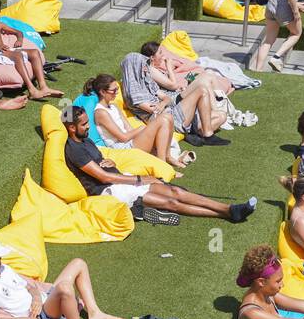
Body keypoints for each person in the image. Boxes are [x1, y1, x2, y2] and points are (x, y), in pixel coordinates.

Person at [62, 104, 256, 227]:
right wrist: (140, 178)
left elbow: (102, 163)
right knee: (171, 203)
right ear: (71, 127)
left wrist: (111, 162)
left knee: (176, 193)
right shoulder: (74, 149)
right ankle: (226, 214)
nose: (88, 127)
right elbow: (105, 178)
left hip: (122, 180)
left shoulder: (84, 140)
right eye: (84, 124)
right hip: (111, 191)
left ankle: (230, 209)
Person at [118, 47, 228, 145]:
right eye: (142, 65)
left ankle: (194, 132)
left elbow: (167, 98)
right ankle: (208, 135)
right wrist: (163, 103)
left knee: (222, 116)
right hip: (171, 119)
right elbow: (155, 111)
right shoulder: (134, 93)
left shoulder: (146, 82)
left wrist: (163, 103)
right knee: (202, 90)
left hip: (172, 110)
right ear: (132, 69)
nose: (145, 68)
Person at [82, 74, 186, 168]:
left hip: (130, 141)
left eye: (117, 89)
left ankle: (168, 157)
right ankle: (162, 165)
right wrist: (143, 128)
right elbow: (123, 137)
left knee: (168, 117)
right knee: (163, 119)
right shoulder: (100, 113)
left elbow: (129, 129)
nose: (117, 92)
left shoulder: (114, 106)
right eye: (114, 90)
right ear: (102, 92)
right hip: (122, 148)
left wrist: (144, 132)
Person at [0, 0, 63, 101]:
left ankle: (43, 87)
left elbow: (18, 32)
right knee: (17, 55)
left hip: (4, 51)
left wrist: (19, 39)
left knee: (34, 52)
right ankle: (32, 90)